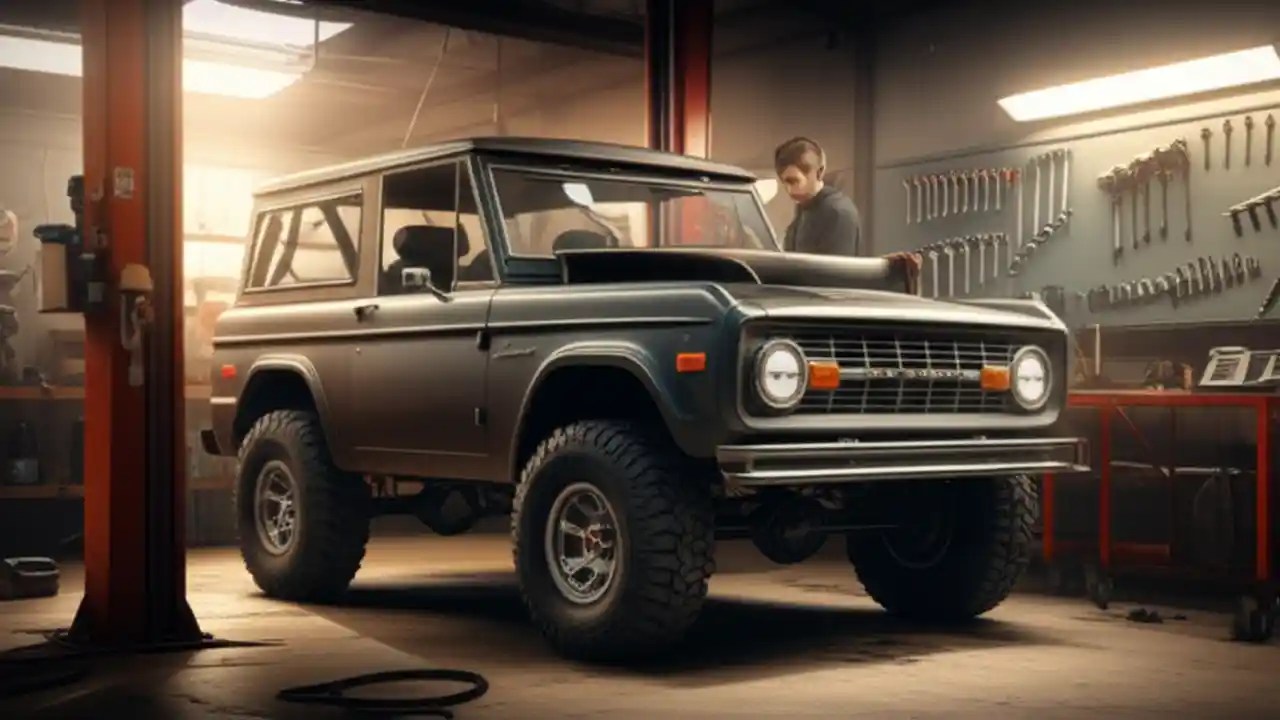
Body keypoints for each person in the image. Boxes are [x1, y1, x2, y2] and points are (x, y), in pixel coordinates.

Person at [774, 136, 920, 288]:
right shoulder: (804, 209)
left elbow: (835, 278)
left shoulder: (836, 212)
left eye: (794, 181)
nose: (789, 190)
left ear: (819, 172)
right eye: (784, 182)